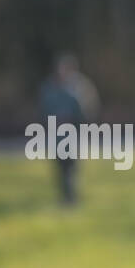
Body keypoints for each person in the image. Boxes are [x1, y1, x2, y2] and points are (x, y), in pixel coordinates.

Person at [38, 52, 99, 205]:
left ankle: (71, 198)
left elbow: (88, 111)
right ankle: (65, 197)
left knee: (71, 168)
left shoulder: (80, 88)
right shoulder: (49, 89)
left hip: (73, 135)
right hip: (56, 136)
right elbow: (43, 111)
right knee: (60, 168)